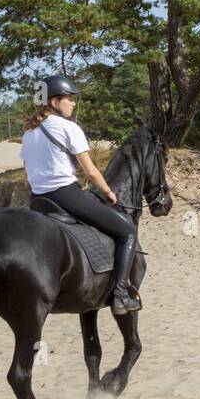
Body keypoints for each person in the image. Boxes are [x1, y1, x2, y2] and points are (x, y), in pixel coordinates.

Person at [19, 75, 138, 314]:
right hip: (66, 196)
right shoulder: (68, 128)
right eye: (68, 99)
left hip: (38, 202)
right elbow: (92, 172)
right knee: (127, 232)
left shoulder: (28, 134)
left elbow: (26, 178)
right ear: (53, 101)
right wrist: (107, 192)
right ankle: (121, 295)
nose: (73, 104)